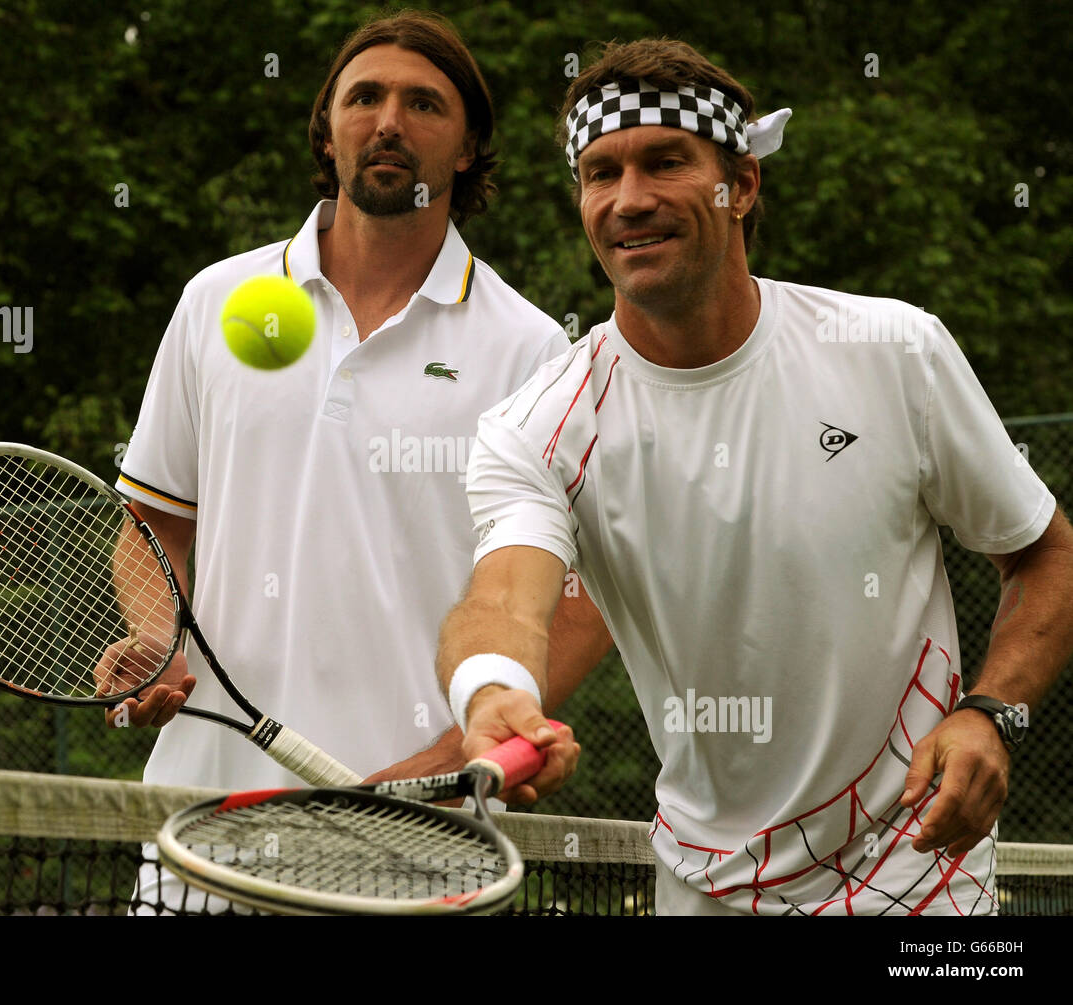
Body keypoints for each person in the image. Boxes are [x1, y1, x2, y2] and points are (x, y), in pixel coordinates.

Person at [437, 38, 1073, 915]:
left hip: (922, 874)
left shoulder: (894, 350)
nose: (629, 199)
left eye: (665, 162)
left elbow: (1047, 556)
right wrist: (493, 689)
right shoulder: (535, 426)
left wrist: (992, 712)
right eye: (600, 171)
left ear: (741, 185)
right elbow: (503, 599)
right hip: (702, 881)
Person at [114, 12, 598, 909]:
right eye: (364, 97)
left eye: (425, 103)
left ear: (466, 148)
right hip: (197, 831)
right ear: (327, 129)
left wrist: (455, 755)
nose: (389, 121)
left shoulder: (533, 349)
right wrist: (157, 637)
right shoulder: (219, 299)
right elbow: (155, 521)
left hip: (420, 850)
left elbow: (582, 599)